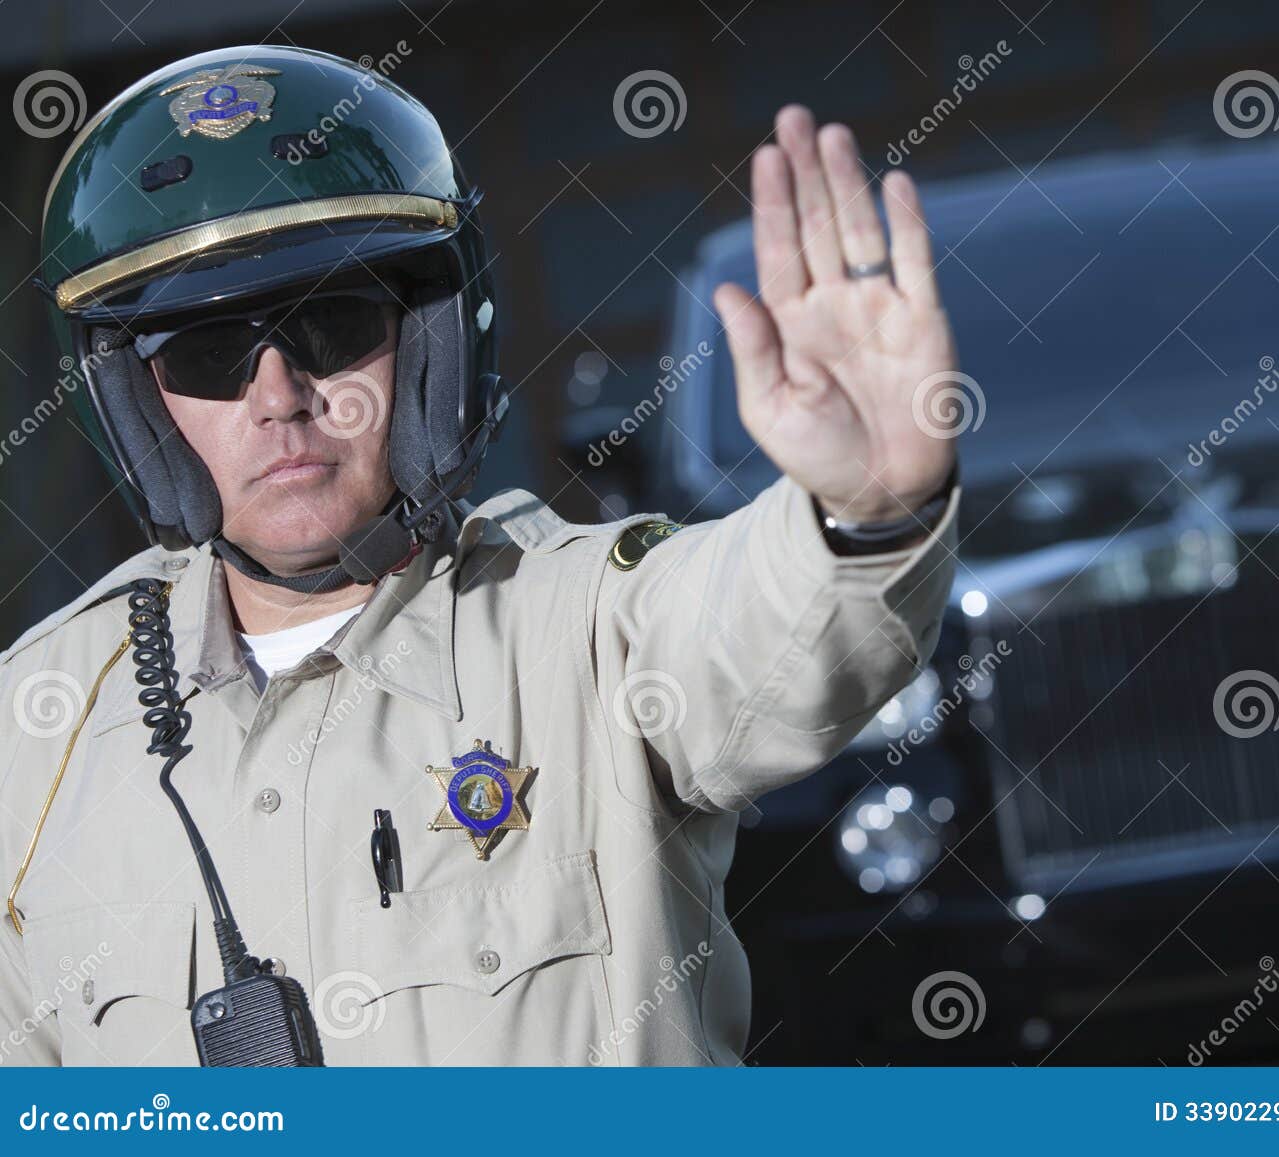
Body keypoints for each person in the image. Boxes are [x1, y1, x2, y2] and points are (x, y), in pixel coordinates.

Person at [0, 45, 959, 1065]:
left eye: (329, 324)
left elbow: (771, 637)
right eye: (205, 355)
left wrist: (862, 508)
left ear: (428, 345)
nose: (278, 397)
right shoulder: (35, 734)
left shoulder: (589, 630)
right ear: (136, 404)